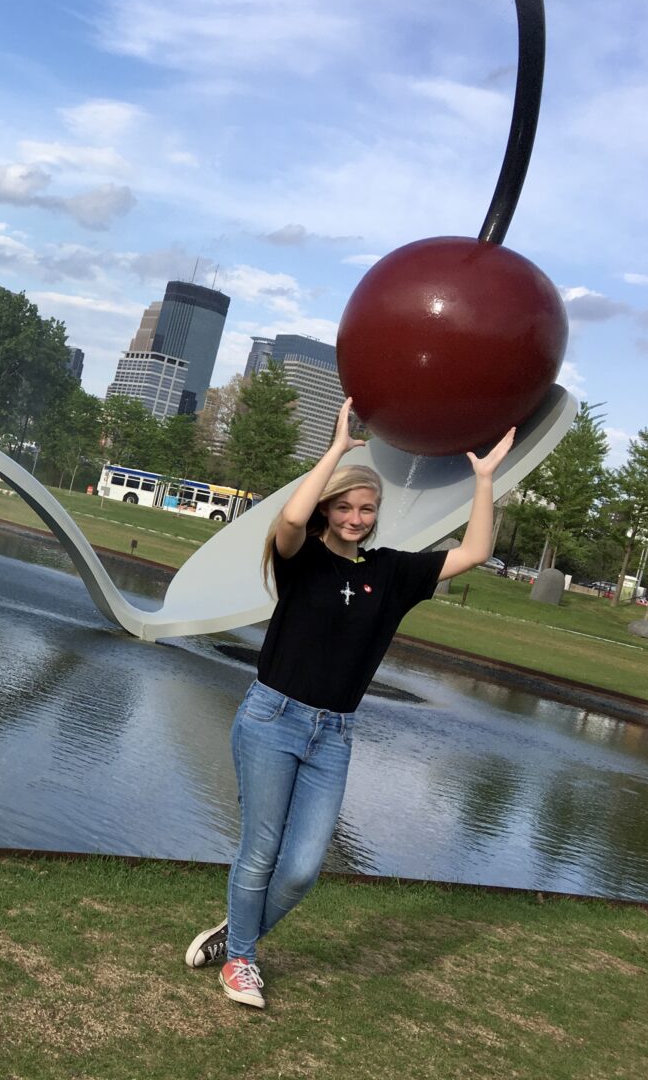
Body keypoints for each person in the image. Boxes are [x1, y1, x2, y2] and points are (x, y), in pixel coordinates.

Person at [184, 397, 514, 1011]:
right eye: (346, 506)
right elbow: (288, 520)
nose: (357, 517)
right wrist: (336, 452)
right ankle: (241, 964)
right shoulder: (300, 560)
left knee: (305, 866)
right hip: (271, 719)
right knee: (261, 849)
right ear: (329, 511)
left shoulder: (390, 574)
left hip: (333, 734)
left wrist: (486, 480)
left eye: (367, 508)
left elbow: (473, 553)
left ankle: (236, 935)